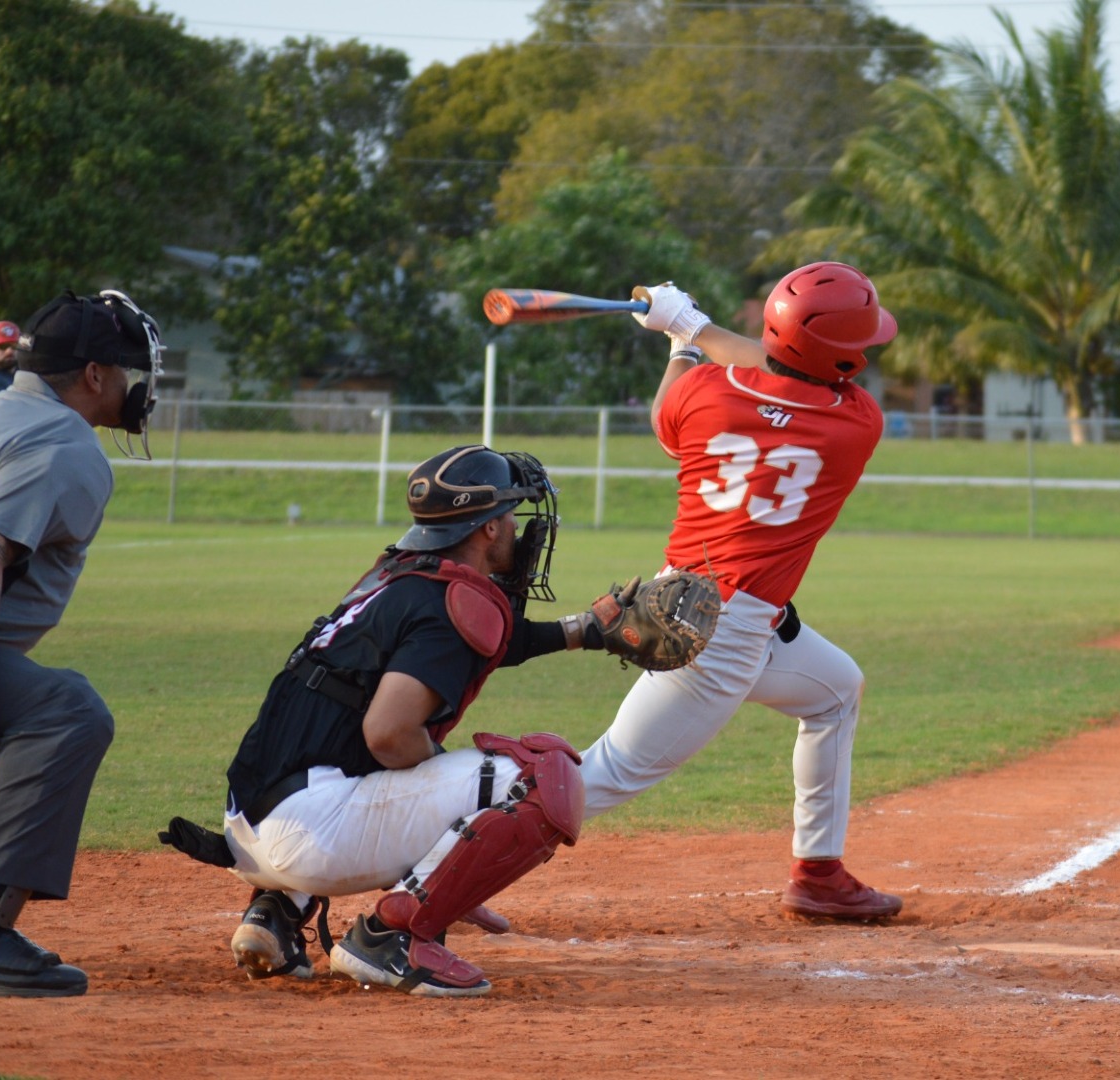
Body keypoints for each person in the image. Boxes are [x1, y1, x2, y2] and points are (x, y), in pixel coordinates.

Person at [167, 445, 656, 998]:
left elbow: (483, 642)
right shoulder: (451, 601)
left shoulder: (399, 576)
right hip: (308, 832)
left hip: (254, 825)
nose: (519, 533)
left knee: (368, 759)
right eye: (512, 518)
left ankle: (276, 911)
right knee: (537, 779)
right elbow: (389, 733)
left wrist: (583, 629)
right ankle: (388, 937)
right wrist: (461, 825)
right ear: (489, 529)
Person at [578, 261, 903, 920]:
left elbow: (676, 404)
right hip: (715, 634)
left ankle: (818, 874)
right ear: (840, 361)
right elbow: (781, 367)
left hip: (689, 604)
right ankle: (427, 860)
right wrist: (689, 324)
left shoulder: (706, 391)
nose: (866, 353)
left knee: (836, 689)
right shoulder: (856, 423)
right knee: (599, 778)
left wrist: (682, 338)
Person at [0, 289, 166, 997]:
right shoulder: (63, 441)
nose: (135, 385)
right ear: (93, 376)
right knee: (68, 712)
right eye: (126, 370)